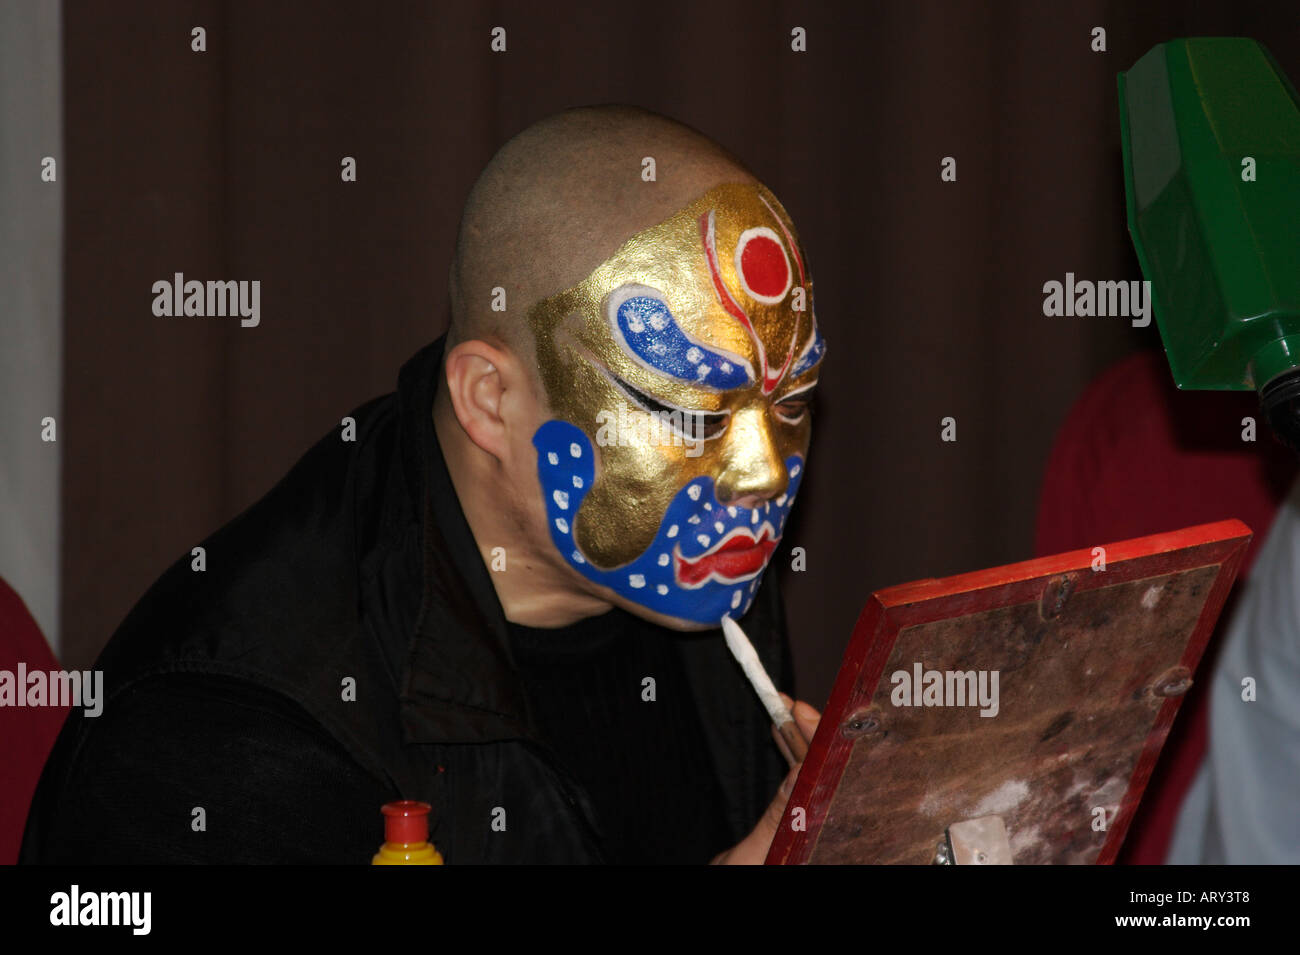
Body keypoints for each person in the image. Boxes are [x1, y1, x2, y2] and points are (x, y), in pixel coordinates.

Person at [21, 105, 826, 864]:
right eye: (692, 415)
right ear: (489, 398)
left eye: (791, 401)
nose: (762, 470)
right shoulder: (224, 735)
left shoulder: (698, 570)